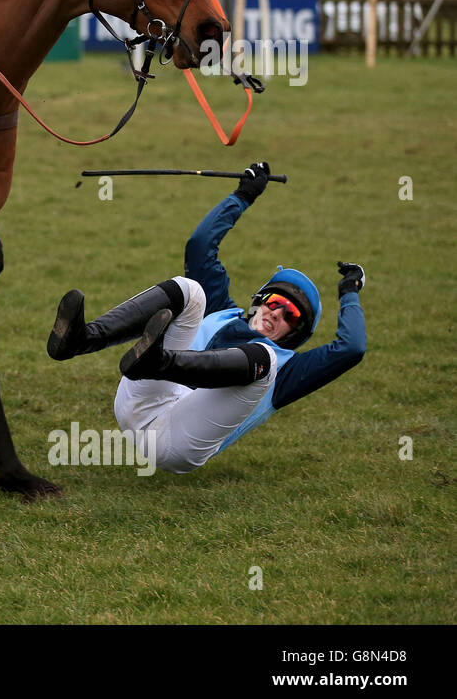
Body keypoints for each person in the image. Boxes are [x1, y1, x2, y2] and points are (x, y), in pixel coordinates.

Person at [45, 161, 367, 473]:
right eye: (272, 301)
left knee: (265, 360)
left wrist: (349, 292)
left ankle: (157, 362)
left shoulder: (289, 370)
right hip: (138, 400)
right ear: (258, 300)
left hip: (174, 444)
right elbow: (200, 246)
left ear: (297, 333)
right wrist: (242, 196)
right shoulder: (223, 311)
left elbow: (351, 348)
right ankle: (83, 339)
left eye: (291, 315)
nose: (275, 312)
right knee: (191, 290)